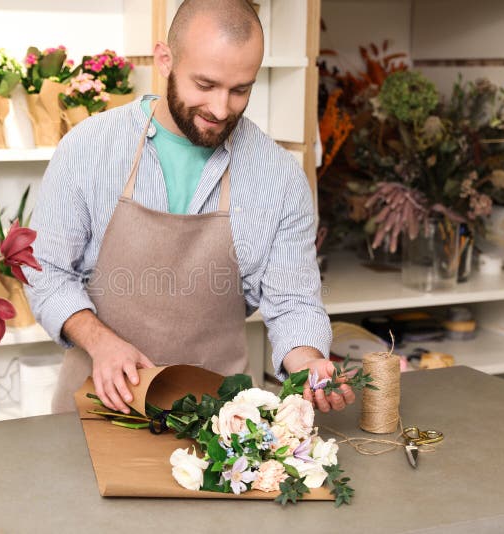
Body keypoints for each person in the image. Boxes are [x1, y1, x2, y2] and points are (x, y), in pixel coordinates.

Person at [24, 0, 354, 415]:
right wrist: (100, 341)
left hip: (221, 432)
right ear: (165, 59)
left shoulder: (280, 177)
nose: (220, 109)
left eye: (240, 90)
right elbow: (45, 272)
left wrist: (307, 362)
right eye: (205, 84)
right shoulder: (89, 148)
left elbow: (294, 301)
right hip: (97, 406)